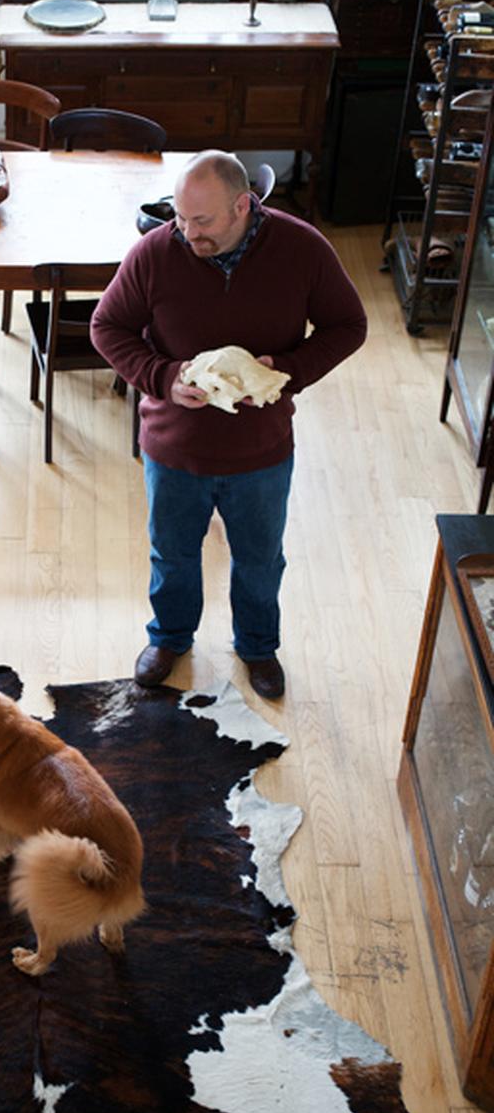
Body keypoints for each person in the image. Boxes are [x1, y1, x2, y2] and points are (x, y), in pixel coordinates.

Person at [90, 150, 367, 701]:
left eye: (204, 221)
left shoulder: (301, 249)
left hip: (260, 450)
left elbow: (348, 324)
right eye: (180, 218)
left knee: (261, 558)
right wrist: (163, 377)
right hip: (175, 447)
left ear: (244, 205)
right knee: (171, 554)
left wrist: (287, 371)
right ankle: (169, 638)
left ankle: (258, 648)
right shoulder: (155, 252)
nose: (188, 233)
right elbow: (108, 325)